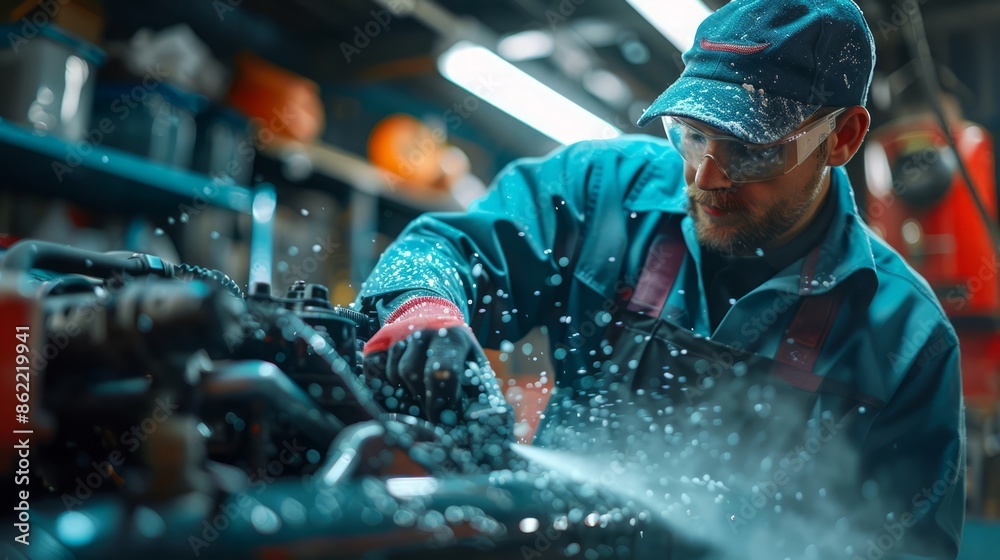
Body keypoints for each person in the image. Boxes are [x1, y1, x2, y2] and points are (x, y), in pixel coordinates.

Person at [357, 0, 966, 557]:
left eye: (751, 151)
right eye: (692, 134)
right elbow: (448, 247)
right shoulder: (601, 194)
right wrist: (423, 306)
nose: (705, 177)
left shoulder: (907, 343)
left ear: (843, 137)